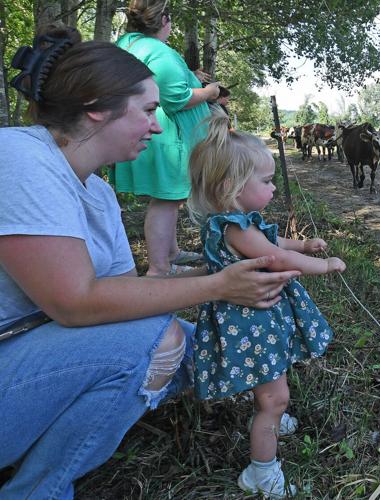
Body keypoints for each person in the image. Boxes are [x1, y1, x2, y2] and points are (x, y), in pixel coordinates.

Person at [0, 28, 298, 499]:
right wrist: (219, 286)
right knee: (156, 340)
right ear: (97, 107)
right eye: (148, 110)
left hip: (36, 356)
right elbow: (75, 303)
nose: (157, 127)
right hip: (13, 353)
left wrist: (223, 272)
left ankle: (272, 408)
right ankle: (37, 490)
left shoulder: (98, 193)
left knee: (203, 344)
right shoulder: (20, 157)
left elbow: (123, 294)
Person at [187, 113, 346, 498]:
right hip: (251, 322)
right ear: (232, 187)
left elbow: (273, 243)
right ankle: (261, 472)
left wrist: (302, 244)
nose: (273, 187)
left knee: (272, 380)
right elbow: (275, 257)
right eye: (266, 181)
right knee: (275, 397)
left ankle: (271, 416)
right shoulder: (236, 228)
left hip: (255, 318)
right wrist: (322, 265)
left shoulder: (239, 224)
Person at [111, 0, 220, 276]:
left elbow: (160, 83)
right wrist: (210, 92)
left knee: (168, 197)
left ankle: (171, 253)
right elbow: (176, 99)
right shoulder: (159, 51)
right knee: (166, 201)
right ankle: (160, 268)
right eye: (169, 18)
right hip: (167, 141)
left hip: (148, 137)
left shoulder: (129, 45)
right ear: (162, 20)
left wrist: (190, 76)